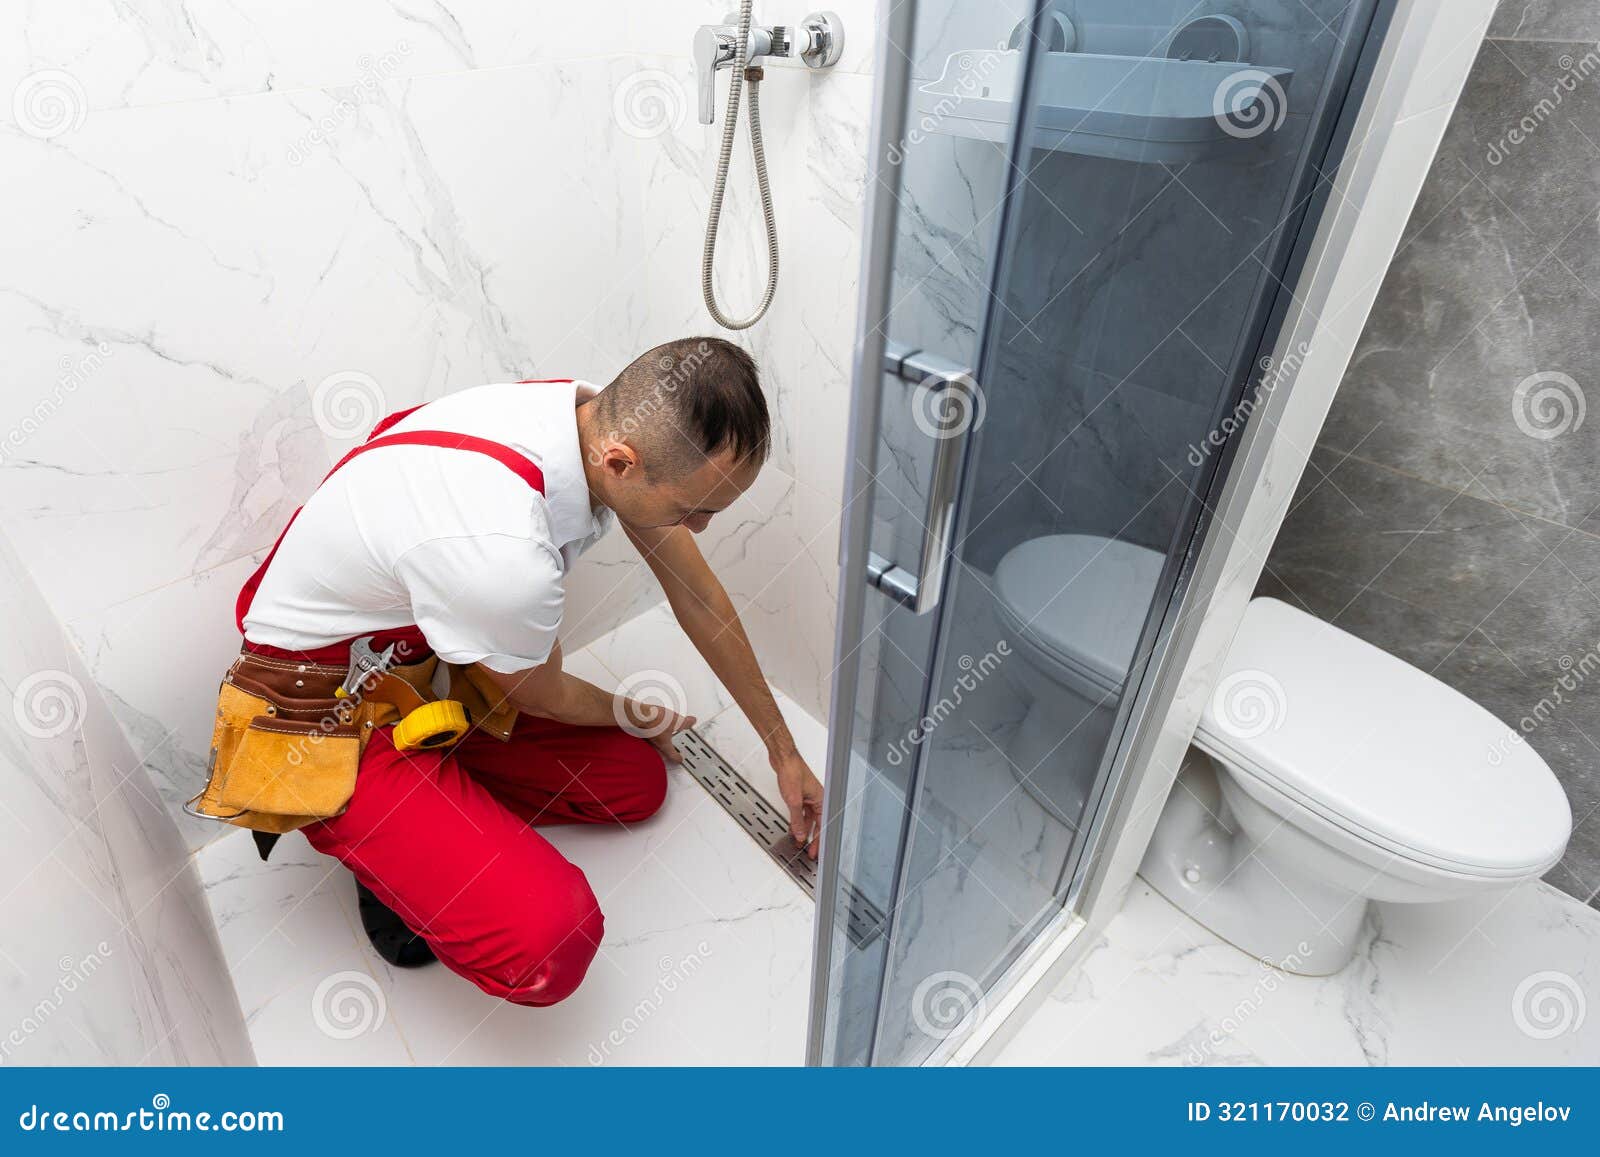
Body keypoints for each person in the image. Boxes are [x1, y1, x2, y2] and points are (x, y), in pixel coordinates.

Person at [235, 336, 822, 1006]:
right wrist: (643, 711)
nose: (703, 527)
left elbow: (698, 596)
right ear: (622, 463)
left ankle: (433, 799)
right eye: (692, 510)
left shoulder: (585, 416)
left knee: (634, 781)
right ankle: (385, 849)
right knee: (552, 939)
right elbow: (545, 695)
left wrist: (784, 750)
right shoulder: (504, 553)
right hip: (318, 713)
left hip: (419, 664)